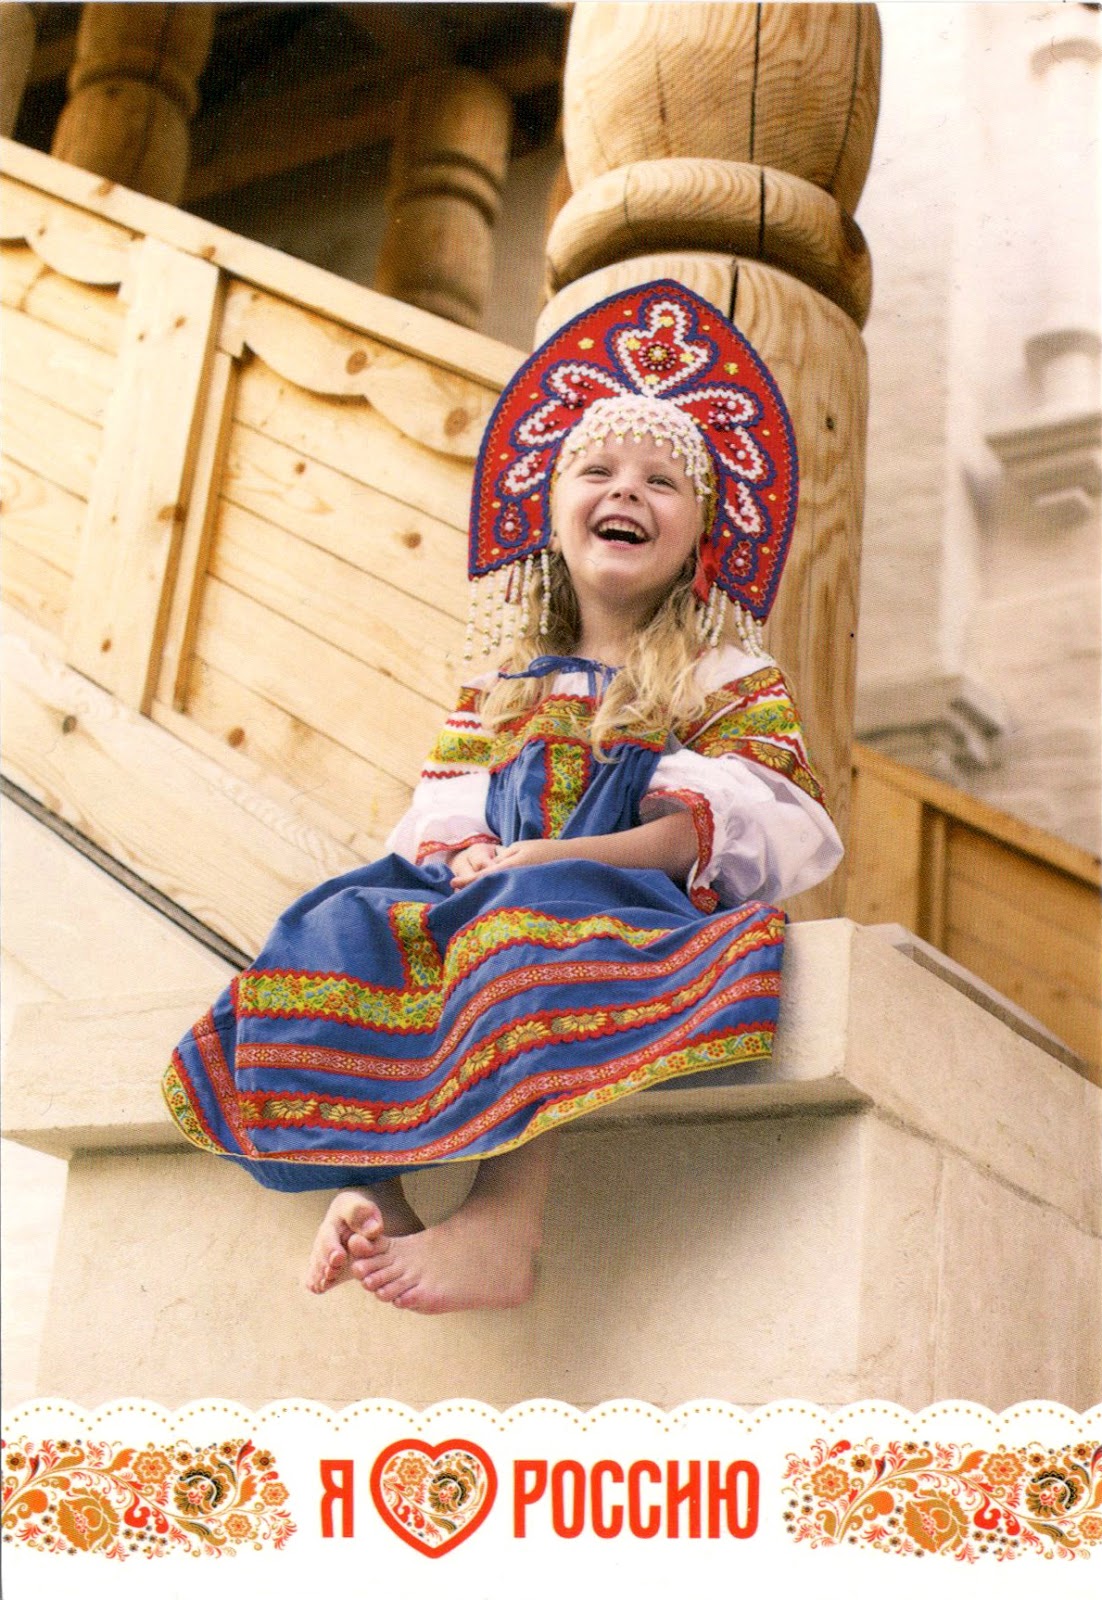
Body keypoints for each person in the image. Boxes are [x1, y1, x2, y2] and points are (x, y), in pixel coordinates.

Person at [165, 281, 843, 1315]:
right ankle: (375, 1194)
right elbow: (444, 811)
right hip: (497, 886)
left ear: (701, 532)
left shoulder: (718, 674)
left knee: (527, 923)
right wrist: (471, 859)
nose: (629, 490)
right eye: (598, 469)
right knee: (338, 922)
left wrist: (558, 859)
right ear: (551, 510)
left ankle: (506, 1216)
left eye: (664, 480)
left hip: (619, 895)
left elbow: (758, 820)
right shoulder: (500, 687)